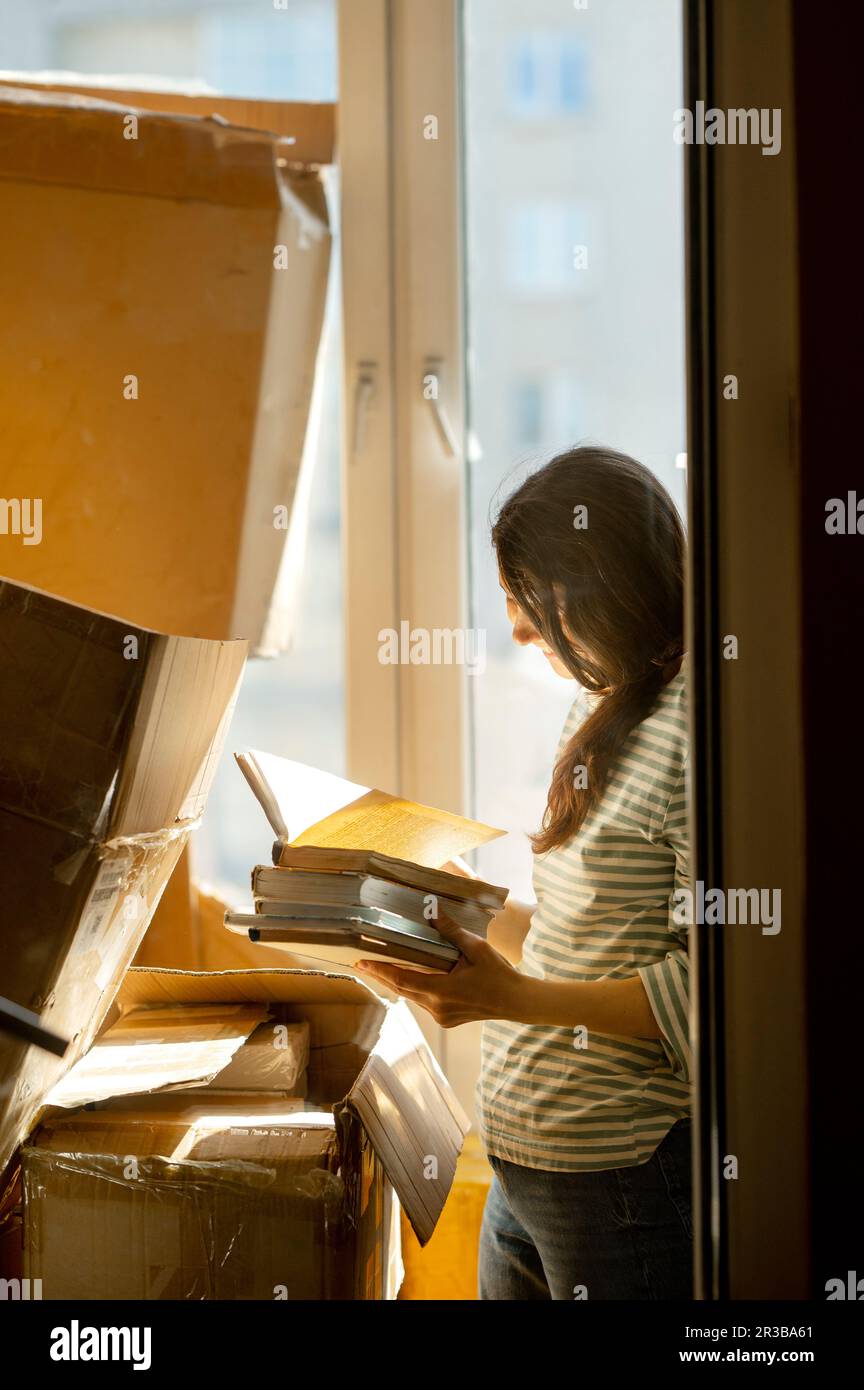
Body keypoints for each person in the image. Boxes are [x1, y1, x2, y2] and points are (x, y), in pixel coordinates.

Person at [356, 446, 692, 1300]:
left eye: (532, 597)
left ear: (607, 579)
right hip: (526, 1171)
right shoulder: (604, 700)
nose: (516, 629)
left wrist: (509, 999)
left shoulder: (701, 732)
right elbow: (584, 934)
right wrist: (449, 898)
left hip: (619, 1179)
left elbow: (709, 991)